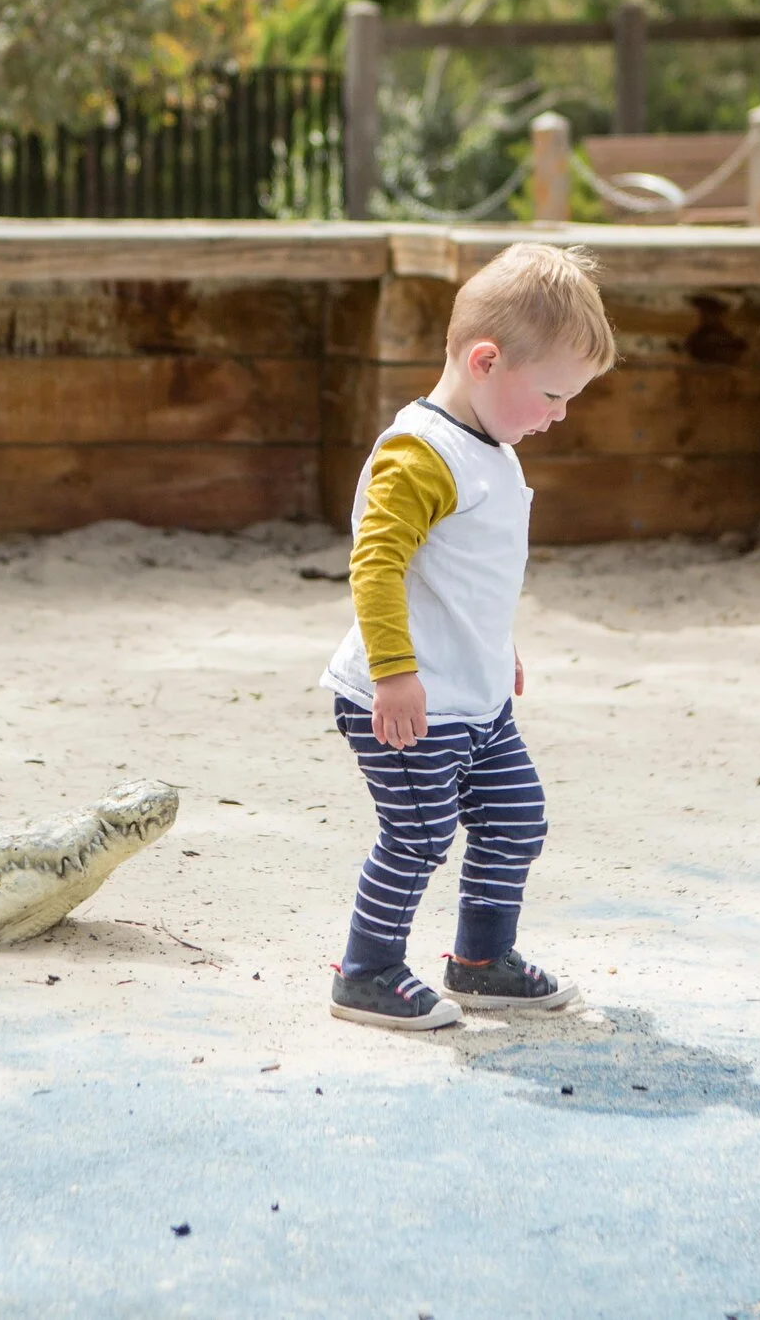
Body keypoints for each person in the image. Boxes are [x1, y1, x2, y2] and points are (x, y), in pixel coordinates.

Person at [318, 242, 616, 1030]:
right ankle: (367, 967)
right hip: (409, 697)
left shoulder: (493, 446)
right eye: (553, 393)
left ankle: (481, 961)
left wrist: (495, 642)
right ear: (486, 361)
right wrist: (394, 673)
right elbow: (376, 564)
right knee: (417, 834)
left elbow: (462, 576)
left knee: (516, 816)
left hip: (474, 694)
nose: (560, 413)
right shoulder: (423, 452)